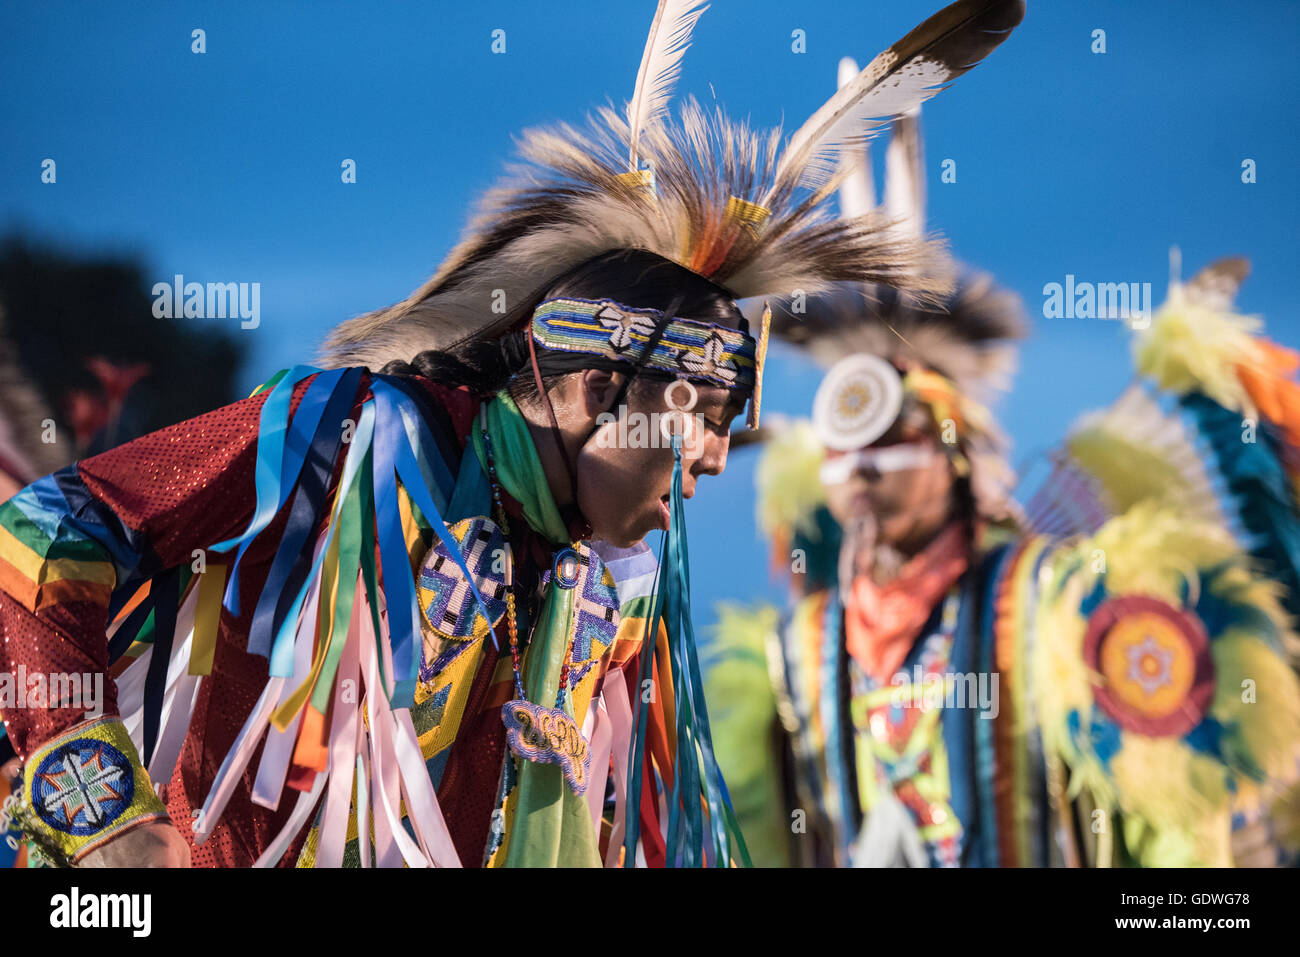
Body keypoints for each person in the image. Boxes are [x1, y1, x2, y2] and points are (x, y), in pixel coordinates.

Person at [0, 0, 1023, 867]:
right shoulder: (346, 438)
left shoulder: (602, 582)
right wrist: (98, 813)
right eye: (701, 419)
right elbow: (40, 538)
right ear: (587, 392)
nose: (717, 456)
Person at [708, 96, 1300, 867]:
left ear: (951, 456)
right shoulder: (797, 650)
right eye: (844, 457)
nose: (860, 476)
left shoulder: (1055, 600)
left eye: (892, 448)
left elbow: (1170, 826)